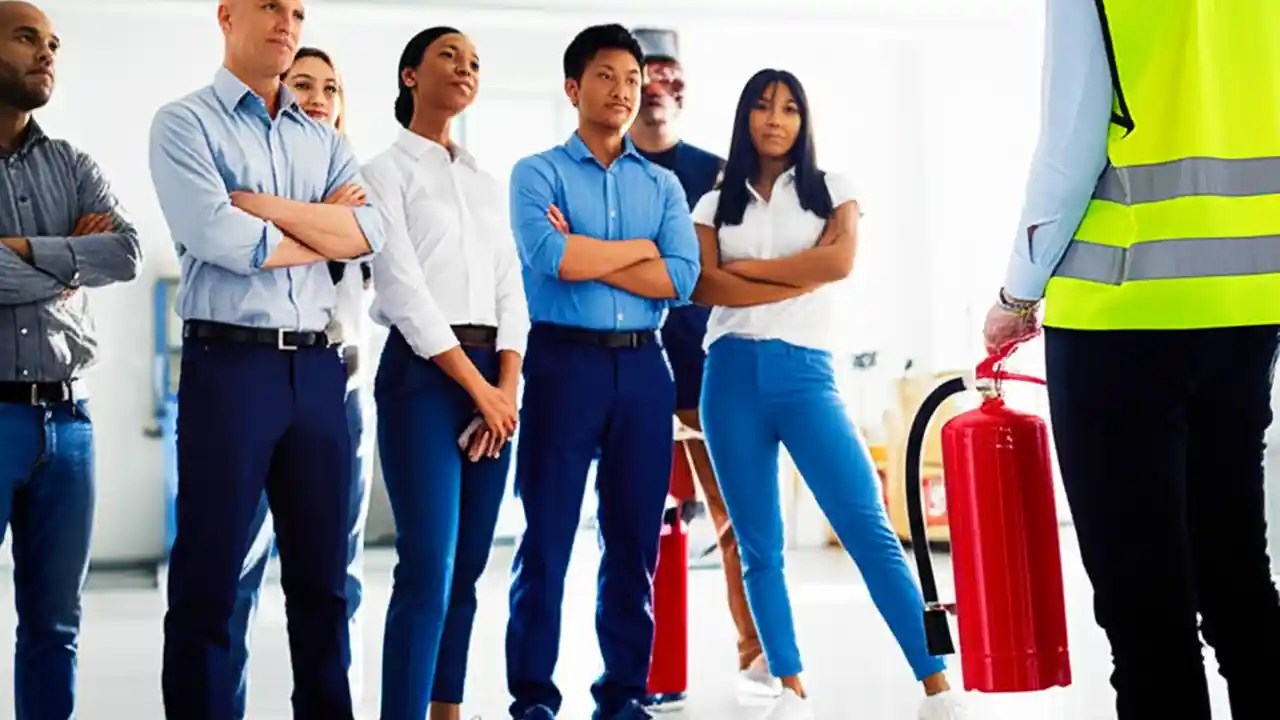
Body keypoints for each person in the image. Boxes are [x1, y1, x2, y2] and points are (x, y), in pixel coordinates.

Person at [984, 1, 1280, 718]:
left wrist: (1018, 293)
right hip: (1248, 299)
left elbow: (1070, 149)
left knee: (1146, 612)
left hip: (1121, 308)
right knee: (1238, 581)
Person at [690, 69, 967, 720]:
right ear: (745, 116)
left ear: (804, 119)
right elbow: (704, 286)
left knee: (868, 528)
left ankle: (938, 684)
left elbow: (838, 264)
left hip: (806, 376)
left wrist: (749, 272)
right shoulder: (713, 203)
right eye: (763, 107)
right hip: (728, 377)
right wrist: (798, 274)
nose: (775, 119)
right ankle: (790, 688)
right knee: (759, 545)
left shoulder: (833, 190)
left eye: (789, 108)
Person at [148, 0, 384, 716]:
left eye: (298, 12)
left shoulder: (323, 138)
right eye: (271, 6)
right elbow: (222, 238)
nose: (287, 22)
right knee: (211, 583)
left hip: (319, 371)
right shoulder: (185, 123)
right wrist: (323, 225)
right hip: (231, 368)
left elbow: (368, 232)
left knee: (325, 588)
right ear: (227, 15)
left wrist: (264, 207)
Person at [504, 23, 700, 720]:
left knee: (634, 543)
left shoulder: (663, 183)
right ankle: (533, 697)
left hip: (645, 370)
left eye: (632, 79)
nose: (623, 91)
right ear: (573, 87)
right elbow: (550, 257)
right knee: (546, 538)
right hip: (563, 364)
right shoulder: (537, 173)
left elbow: (682, 277)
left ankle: (622, 695)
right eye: (607, 76)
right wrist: (640, 250)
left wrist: (591, 251)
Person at [363, 26, 527, 720]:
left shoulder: (485, 182)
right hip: (423, 379)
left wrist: (506, 390)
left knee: (468, 567)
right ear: (410, 75)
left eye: (474, 62)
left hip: (494, 380)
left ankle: (446, 709)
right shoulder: (382, 173)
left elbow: (511, 288)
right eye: (448, 56)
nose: (465, 68)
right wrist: (479, 389)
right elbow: (402, 291)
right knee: (428, 563)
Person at [0, 2, 142, 716]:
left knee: (56, 627)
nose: (47, 52)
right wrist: (69, 263)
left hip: (69, 421)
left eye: (52, 42)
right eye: (27, 37)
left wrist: (24, 251)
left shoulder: (72, 164)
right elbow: (93, 259)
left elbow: (125, 253)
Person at [226, 45, 376, 719]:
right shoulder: (258, 169)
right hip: (259, 381)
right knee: (236, 570)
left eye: (330, 87)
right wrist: (324, 221)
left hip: (344, 397)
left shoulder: (361, 187)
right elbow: (241, 238)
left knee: (336, 576)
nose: (317, 97)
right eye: (303, 84)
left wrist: (288, 217)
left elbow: (368, 253)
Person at [627, 28, 775, 707]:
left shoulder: (719, 174)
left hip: (710, 377)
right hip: (629, 374)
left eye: (671, 72)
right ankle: (643, 671)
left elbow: (743, 267)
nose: (660, 84)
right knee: (638, 529)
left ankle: (759, 657)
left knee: (738, 521)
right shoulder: (603, 167)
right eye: (647, 71)